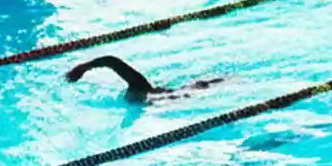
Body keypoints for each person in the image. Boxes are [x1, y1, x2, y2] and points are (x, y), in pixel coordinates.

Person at [66, 55, 221, 103]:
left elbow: (112, 61)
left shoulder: (139, 88)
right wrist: (83, 68)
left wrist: (84, 68)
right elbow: (112, 61)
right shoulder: (139, 88)